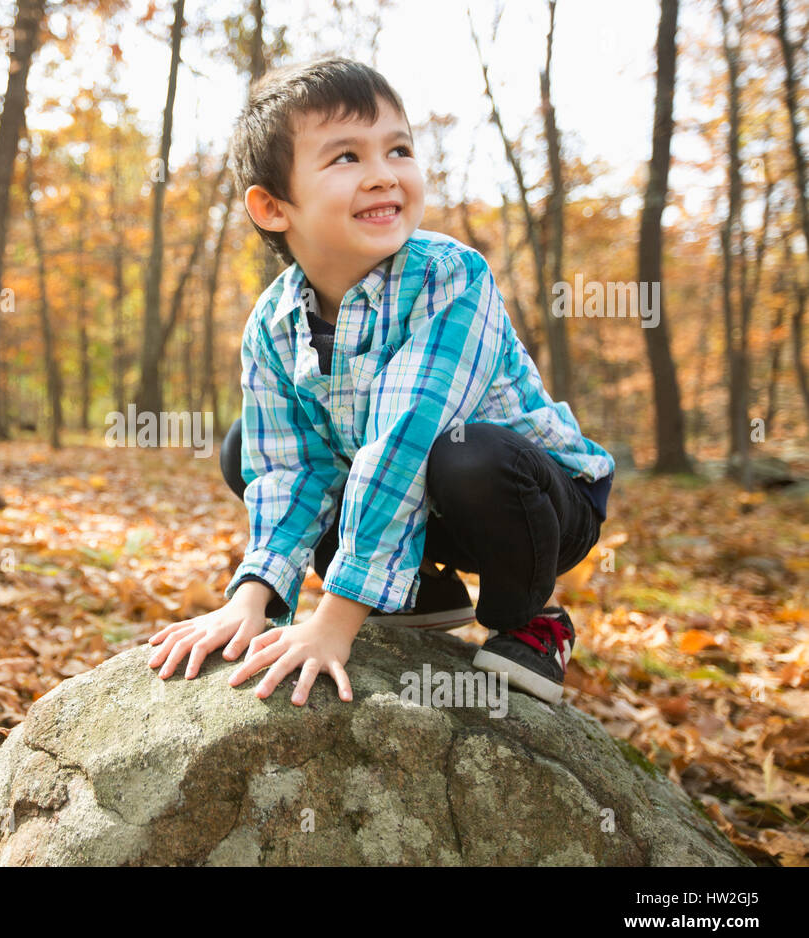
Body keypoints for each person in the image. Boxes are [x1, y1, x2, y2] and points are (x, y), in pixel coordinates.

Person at [146, 57, 614, 707]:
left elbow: (405, 438)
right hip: (425, 504)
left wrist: (334, 623)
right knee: (241, 447)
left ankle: (532, 619)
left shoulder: (451, 278)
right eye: (346, 157)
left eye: (398, 149)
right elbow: (289, 471)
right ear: (273, 206)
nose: (383, 174)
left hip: (529, 501)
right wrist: (256, 598)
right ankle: (421, 588)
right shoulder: (275, 325)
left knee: (465, 454)